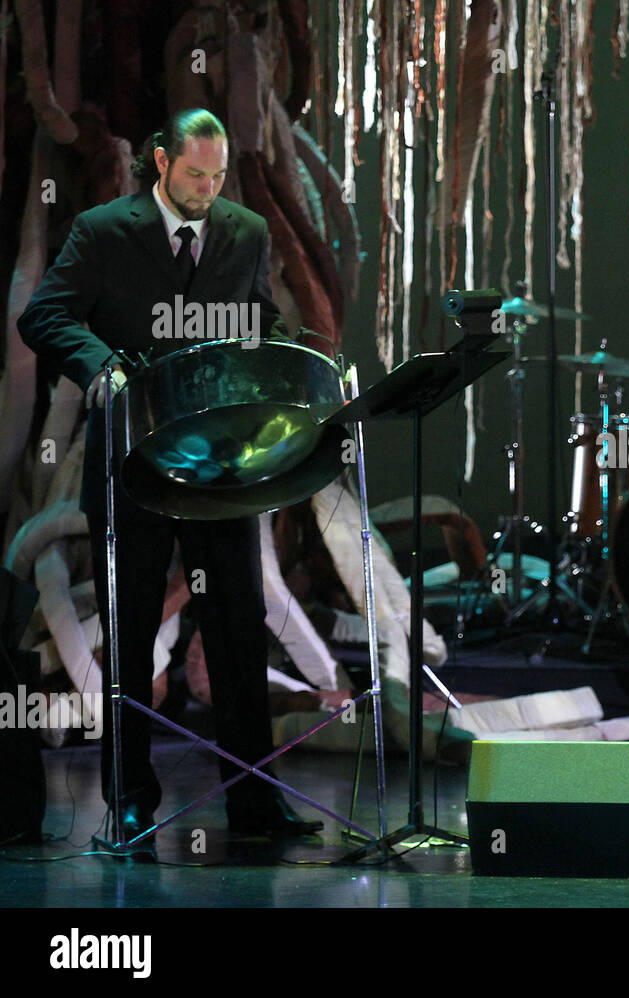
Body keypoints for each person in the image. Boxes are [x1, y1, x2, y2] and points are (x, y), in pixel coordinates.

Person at [18, 109, 322, 848]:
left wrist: (292, 358)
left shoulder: (244, 232)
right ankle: (129, 802)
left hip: (218, 463)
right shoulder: (102, 231)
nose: (208, 189)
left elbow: (257, 323)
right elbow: (44, 317)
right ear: (159, 162)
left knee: (238, 631)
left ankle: (255, 803)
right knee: (129, 633)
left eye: (218, 177)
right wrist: (99, 368)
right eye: (195, 175)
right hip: (133, 462)